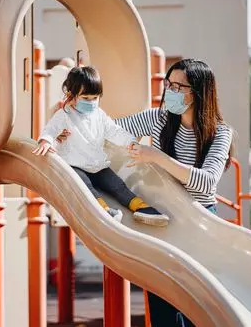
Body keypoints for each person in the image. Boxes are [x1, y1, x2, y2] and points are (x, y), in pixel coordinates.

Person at [57, 59, 234, 326]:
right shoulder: (158, 118)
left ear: (198, 92)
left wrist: (156, 156)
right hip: (161, 218)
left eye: (179, 86)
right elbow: (105, 132)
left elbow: (206, 183)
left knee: (193, 301)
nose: (171, 90)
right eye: (169, 84)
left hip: (198, 223)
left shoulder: (220, 133)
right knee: (162, 300)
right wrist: (69, 121)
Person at [32, 66, 170, 227]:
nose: (91, 102)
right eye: (86, 98)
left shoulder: (99, 114)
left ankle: (141, 207)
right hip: (75, 166)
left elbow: (114, 131)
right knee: (85, 187)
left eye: (95, 98)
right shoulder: (64, 115)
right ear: (72, 95)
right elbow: (50, 129)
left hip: (98, 165)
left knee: (117, 185)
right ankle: (104, 210)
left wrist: (131, 142)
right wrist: (46, 140)